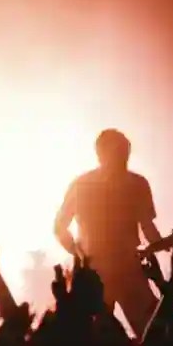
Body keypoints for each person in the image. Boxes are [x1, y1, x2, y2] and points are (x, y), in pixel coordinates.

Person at [54, 129, 162, 332]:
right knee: (89, 335)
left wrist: (163, 243)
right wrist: (79, 254)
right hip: (95, 273)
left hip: (125, 268)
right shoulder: (82, 185)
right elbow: (60, 227)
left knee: (151, 329)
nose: (123, 159)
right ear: (101, 154)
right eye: (118, 153)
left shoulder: (137, 184)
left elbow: (148, 228)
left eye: (125, 153)